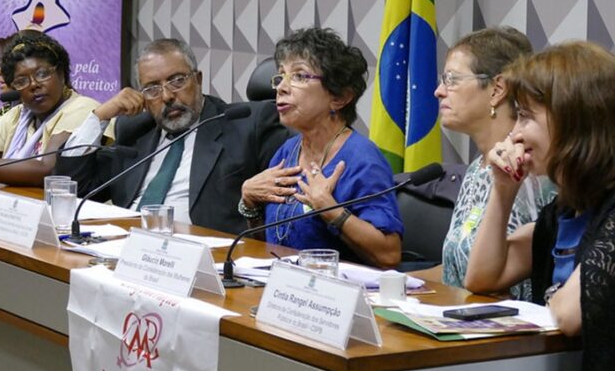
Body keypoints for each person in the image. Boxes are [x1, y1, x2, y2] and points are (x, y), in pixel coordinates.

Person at [464, 41, 615, 371]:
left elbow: (569, 313)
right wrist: (503, 191)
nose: (514, 133)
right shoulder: (563, 211)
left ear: (575, 120)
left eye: (526, 117)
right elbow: (483, 277)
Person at [54, 38, 290, 234]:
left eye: (177, 81)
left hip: (201, 257)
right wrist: (100, 117)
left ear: (197, 80)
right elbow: (76, 187)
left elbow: (281, 204)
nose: (166, 96)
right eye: (152, 88)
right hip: (127, 249)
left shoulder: (246, 123)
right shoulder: (135, 130)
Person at [239, 27, 402, 268]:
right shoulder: (287, 152)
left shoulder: (361, 159)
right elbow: (269, 246)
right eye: (281, 76)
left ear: (339, 97)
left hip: (333, 297)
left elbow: (389, 255)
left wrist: (330, 210)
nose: (281, 88)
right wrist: (249, 203)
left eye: (299, 76)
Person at [436, 27, 556, 299]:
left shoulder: (534, 171)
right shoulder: (478, 170)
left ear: (497, 89)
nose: (439, 91)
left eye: (451, 79)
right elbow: (461, 273)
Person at [0, 31, 99, 186]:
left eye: (42, 74)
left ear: (61, 74)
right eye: (21, 81)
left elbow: (47, 170)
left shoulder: (83, 108)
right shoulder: (18, 114)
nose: (34, 85)